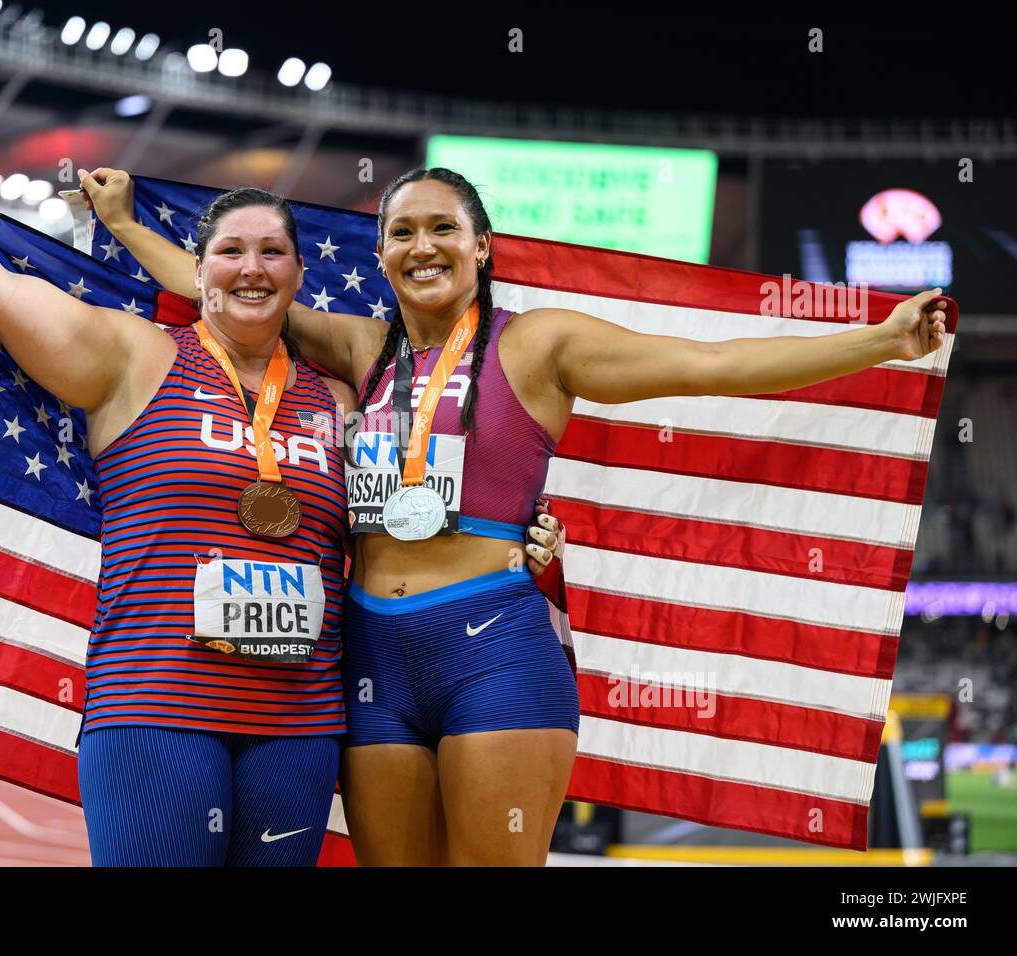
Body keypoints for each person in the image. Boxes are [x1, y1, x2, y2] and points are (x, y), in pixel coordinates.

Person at [81, 163, 949, 866]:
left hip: (494, 648)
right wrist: (124, 225)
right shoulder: (360, 346)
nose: (422, 247)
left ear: (482, 247)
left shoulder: (538, 344)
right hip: (371, 657)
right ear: (380, 255)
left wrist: (880, 341)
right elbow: (232, 292)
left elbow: (708, 362)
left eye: (443, 229)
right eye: (402, 232)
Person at [0, 132, 562, 866]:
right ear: (199, 271)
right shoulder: (131, 358)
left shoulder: (343, 400)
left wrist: (526, 535)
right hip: (157, 712)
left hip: (301, 725)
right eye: (230, 252)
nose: (251, 268)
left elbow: (421, 502)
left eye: (272, 252)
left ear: (296, 275)